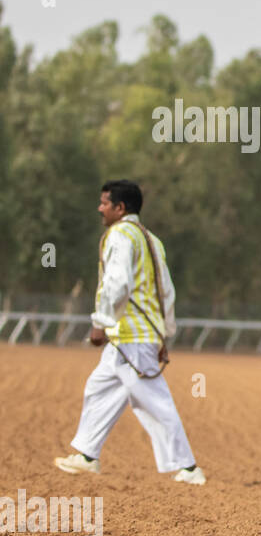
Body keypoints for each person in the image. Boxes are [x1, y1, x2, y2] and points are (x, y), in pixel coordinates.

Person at [54, 180, 206, 485]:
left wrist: (100, 322)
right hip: (136, 337)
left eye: (104, 203)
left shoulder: (120, 235)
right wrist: (165, 334)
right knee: (99, 389)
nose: (100, 208)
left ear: (120, 208)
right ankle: (86, 455)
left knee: (153, 401)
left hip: (131, 336)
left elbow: (117, 283)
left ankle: (188, 467)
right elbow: (167, 293)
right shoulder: (152, 240)